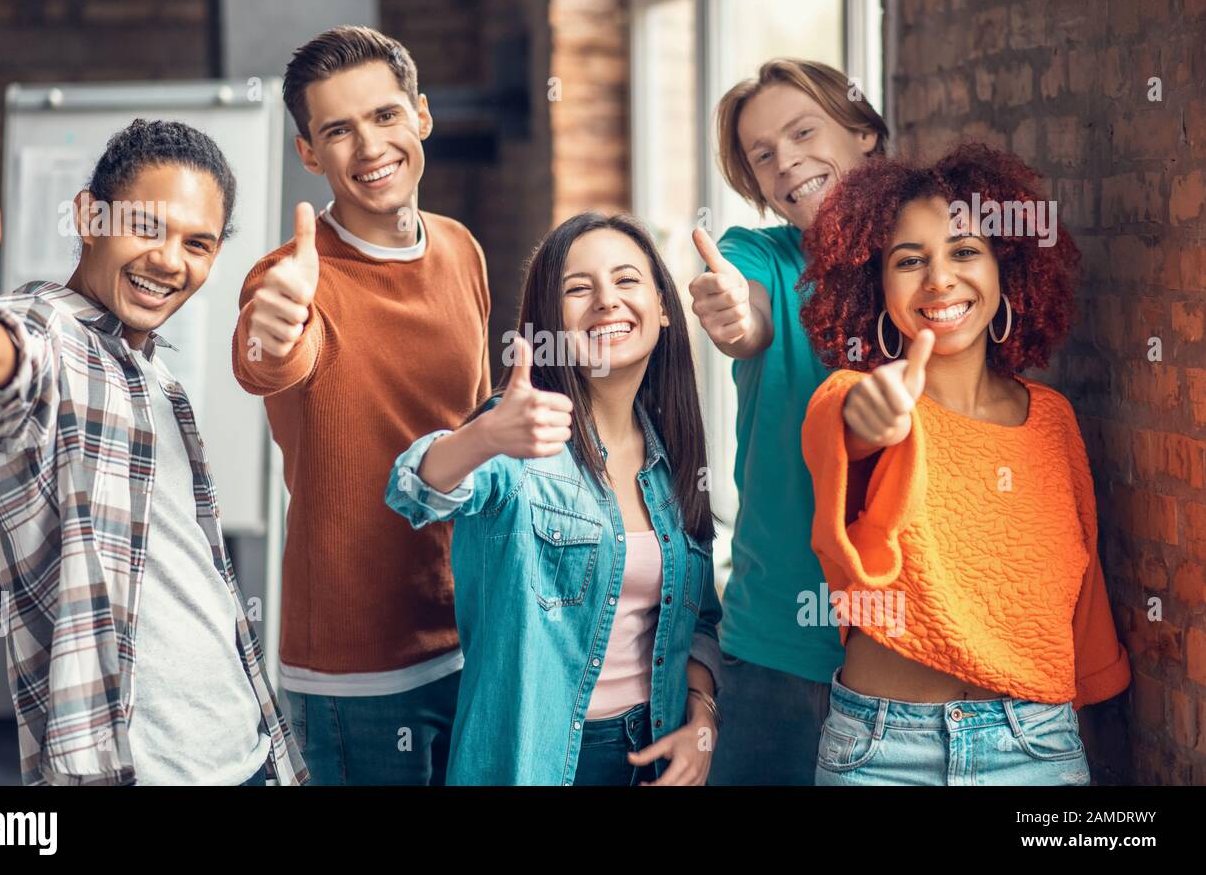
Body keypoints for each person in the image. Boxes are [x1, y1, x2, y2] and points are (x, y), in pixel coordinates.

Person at [0, 119, 306, 785]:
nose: (169, 260)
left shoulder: (158, 379)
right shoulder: (50, 331)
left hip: (247, 753)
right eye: (147, 226)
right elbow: (6, 370)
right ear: (88, 216)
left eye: (198, 243)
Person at [797, 143, 1130, 785]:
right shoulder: (851, 395)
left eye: (964, 251)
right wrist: (877, 420)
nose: (940, 279)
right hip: (883, 755)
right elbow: (846, 431)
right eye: (909, 260)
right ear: (876, 285)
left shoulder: (1053, 419)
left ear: (1008, 271)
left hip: (1039, 748)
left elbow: (1082, 587)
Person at [231, 26, 490, 785]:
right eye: (337, 130)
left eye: (384, 116)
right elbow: (273, 358)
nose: (369, 146)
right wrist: (273, 330)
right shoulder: (286, 279)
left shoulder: (461, 249)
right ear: (309, 154)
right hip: (355, 666)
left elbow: (473, 430)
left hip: (470, 627)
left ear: (422, 116)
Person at [386, 212, 722, 785]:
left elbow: (701, 624)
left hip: (653, 753)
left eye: (626, 280)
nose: (606, 301)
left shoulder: (675, 459)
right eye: (577, 288)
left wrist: (702, 718)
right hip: (533, 762)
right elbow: (413, 488)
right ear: (550, 323)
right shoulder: (519, 436)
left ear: (664, 308)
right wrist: (483, 437)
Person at [689, 59, 889, 784]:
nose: (787, 162)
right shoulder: (760, 256)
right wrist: (734, 314)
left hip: (913, 652)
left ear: (863, 130)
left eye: (804, 132)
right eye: (762, 155)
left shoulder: (930, 259)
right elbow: (744, 314)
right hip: (776, 648)